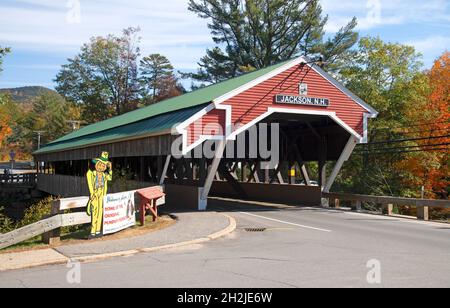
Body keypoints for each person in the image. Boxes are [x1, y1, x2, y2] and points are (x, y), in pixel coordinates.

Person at [86, 152, 113, 240]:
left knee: (100, 211)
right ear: (97, 164)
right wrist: (92, 193)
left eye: (104, 165)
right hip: (95, 192)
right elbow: (90, 183)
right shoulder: (91, 173)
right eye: (100, 164)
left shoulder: (104, 175)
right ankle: (93, 232)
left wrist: (110, 168)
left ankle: (97, 231)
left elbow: (110, 178)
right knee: (95, 211)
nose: (101, 167)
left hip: (102, 192)